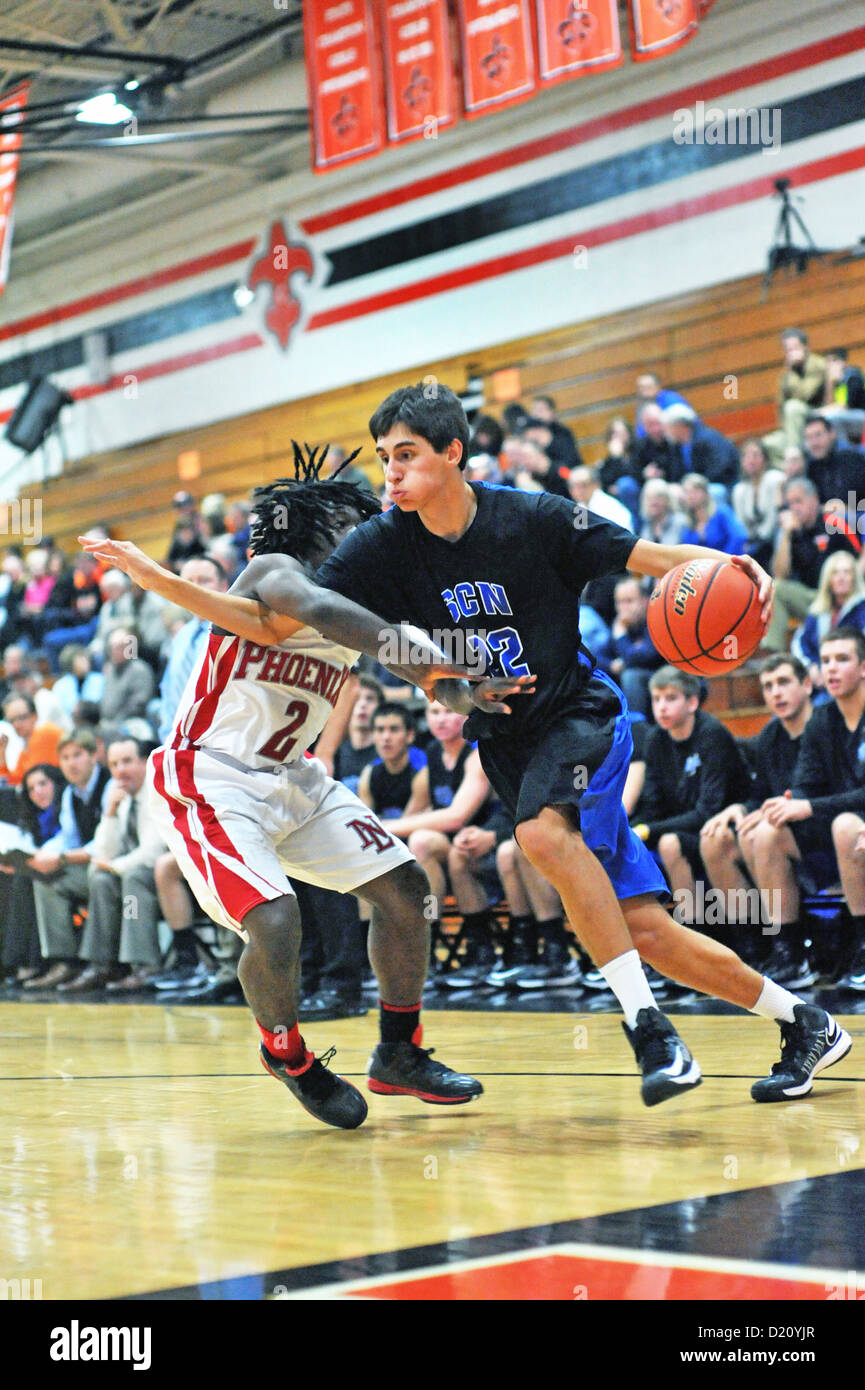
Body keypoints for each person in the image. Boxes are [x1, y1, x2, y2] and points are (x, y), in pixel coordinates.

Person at [90, 396, 852, 1108]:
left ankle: (645, 1031)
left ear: (453, 452)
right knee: (644, 930)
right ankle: (806, 1024)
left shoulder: (530, 517)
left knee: (525, 843)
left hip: (573, 717)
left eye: (404, 456)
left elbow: (647, 556)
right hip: (450, 747)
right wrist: (156, 577)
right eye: (383, 461)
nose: (388, 480)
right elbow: (284, 621)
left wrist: (727, 565)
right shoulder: (353, 557)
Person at [80, 443, 489, 1129]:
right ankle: (287, 1054)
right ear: (316, 526)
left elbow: (412, 647)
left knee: (406, 889)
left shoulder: (359, 598)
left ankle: (398, 1050)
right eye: (352, 524)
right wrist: (434, 669)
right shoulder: (274, 570)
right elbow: (325, 612)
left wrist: (476, 682)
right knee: (274, 919)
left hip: (294, 775)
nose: (365, 536)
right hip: (212, 776)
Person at [743, 630, 865, 1000]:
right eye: (826, 660)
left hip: (850, 825)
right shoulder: (822, 720)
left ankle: (861, 946)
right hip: (838, 827)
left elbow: (815, 802)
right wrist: (782, 804)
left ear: (863, 667)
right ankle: (790, 952)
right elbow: (806, 785)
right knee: (768, 829)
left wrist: (809, 805)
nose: (832, 668)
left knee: (845, 825)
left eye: (842, 659)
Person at [700, 654, 816, 978]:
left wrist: (783, 807)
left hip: (821, 823)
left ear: (807, 684)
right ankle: (754, 946)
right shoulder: (770, 735)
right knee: (716, 839)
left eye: (783, 682)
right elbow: (761, 794)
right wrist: (740, 808)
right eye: (768, 686)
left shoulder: (823, 726)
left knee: (763, 834)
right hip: (786, 827)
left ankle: (791, 951)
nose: (776, 692)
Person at [23, 729, 113, 990]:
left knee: (98, 877)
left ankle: (100, 964)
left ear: (93, 755)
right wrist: (39, 856)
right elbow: (67, 838)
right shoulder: (70, 793)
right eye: (65, 757)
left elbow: (106, 844)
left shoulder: (110, 785)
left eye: (77, 755)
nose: (71, 763)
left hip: (114, 865)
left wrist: (61, 857)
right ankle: (64, 961)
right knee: (45, 878)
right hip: (89, 865)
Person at [764, 477, 860, 652]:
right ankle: (774, 655)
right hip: (812, 599)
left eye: (798, 501)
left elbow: (859, 559)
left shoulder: (833, 524)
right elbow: (779, 574)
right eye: (790, 503)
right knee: (777, 588)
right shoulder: (792, 533)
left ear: (814, 501)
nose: (794, 508)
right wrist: (785, 535)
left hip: (840, 596)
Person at [792, 551, 865, 692]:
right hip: (821, 682)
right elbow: (800, 643)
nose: (841, 577)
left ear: (854, 578)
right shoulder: (817, 610)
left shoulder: (862, 607)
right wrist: (811, 667)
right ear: (828, 579)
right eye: (835, 572)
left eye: (847, 572)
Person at [597, 577, 665, 719]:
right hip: (638, 680)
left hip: (662, 676)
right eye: (619, 602)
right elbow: (597, 658)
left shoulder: (656, 620)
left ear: (644, 601)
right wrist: (612, 665)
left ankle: (636, 726)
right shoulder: (622, 625)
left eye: (629, 601)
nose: (623, 608)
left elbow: (642, 659)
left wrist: (621, 637)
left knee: (631, 676)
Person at [731, 440, 785, 570]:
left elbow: (773, 517)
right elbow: (741, 522)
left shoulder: (774, 479)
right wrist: (749, 542)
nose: (751, 460)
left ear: (765, 459)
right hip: (754, 540)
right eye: (746, 456)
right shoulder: (740, 489)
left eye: (755, 455)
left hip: (772, 535)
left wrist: (759, 540)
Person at [679, 474, 747, 555]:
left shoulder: (722, 512)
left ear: (706, 493)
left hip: (728, 559)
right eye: (687, 492)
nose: (691, 496)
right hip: (701, 562)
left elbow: (739, 536)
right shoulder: (687, 522)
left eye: (695, 491)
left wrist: (725, 558)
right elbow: (687, 549)